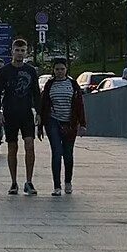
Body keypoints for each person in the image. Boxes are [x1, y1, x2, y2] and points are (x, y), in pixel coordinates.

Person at [0, 38, 43, 195]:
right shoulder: (4, 71)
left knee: (29, 145)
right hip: (10, 113)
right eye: (17, 50)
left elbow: (36, 93)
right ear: (12, 51)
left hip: (26, 113)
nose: (20, 53)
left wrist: (39, 113)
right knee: (12, 147)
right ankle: (13, 182)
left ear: (26, 52)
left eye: (23, 50)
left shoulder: (31, 71)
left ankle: (29, 181)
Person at [38, 58, 88, 196]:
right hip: (53, 121)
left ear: (66, 70)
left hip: (70, 123)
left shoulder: (73, 84)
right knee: (56, 152)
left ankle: (68, 182)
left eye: (62, 69)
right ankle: (56, 186)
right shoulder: (49, 85)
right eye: (57, 69)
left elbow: (80, 105)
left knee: (68, 154)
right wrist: (40, 125)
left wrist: (82, 124)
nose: (59, 72)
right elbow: (43, 105)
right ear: (53, 70)